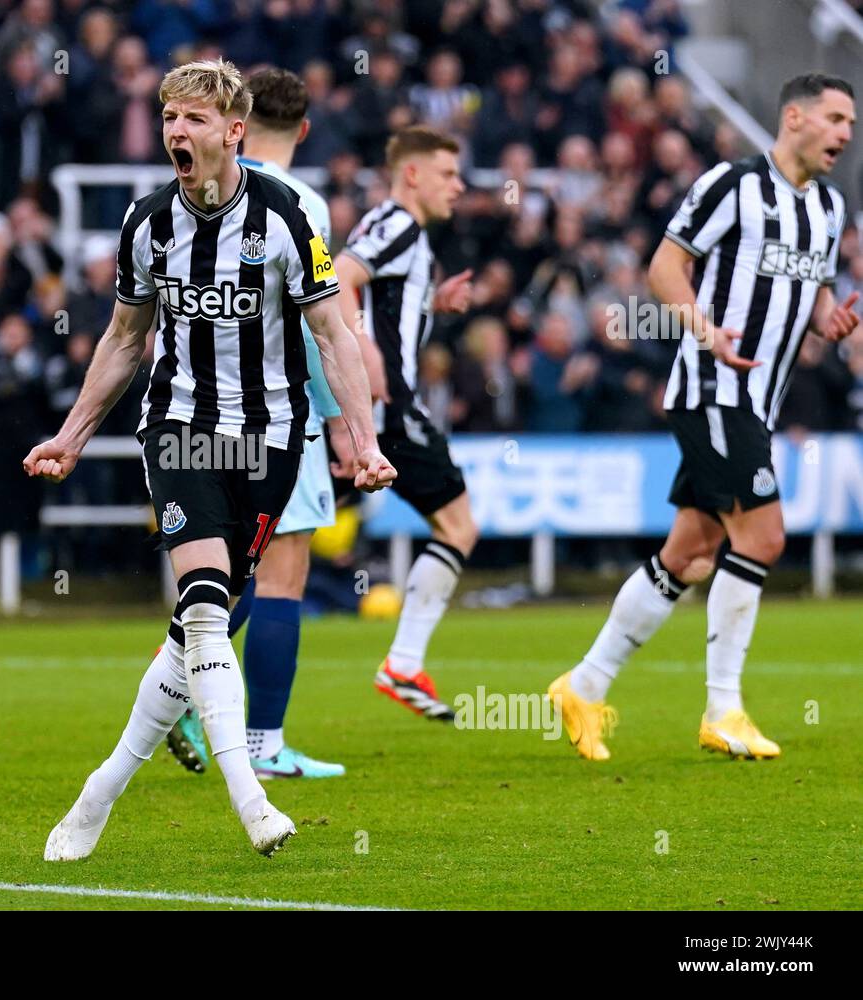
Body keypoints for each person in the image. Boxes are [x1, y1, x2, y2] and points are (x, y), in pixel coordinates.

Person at [24, 59, 395, 860]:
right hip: (182, 427)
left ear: (233, 133)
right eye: (167, 118)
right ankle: (253, 799)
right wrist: (72, 434)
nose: (175, 133)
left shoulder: (291, 217)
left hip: (269, 441)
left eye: (192, 119)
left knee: (203, 625)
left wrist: (361, 443)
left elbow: (334, 334)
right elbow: (126, 339)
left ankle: (98, 793)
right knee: (202, 606)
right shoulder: (147, 222)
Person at [550, 73, 859, 761]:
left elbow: (815, 286)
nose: (845, 133)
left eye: (851, 123)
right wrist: (704, 327)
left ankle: (585, 683)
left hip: (760, 400)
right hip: (714, 385)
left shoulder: (831, 209)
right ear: (795, 116)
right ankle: (723, 709)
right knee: (766, 537)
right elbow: (665, 267)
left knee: (688, 554)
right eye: (835, 118)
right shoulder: (733, 184)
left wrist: (827, 320)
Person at [165, 66, 352, 780]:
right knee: (282, 571)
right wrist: (340, 422)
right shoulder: (298, 202)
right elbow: (320, 329)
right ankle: (260, 741)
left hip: (192, 413)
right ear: (304, 129)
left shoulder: (182, 200)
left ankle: (176, 691)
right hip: (276, 412)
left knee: (222, 570)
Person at [334, 126, 477, 722]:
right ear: (412, 174)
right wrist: (364, 352)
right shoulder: (397, 224)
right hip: (386, 413)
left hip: (374, 411)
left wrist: (430, 301)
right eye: (448, 174)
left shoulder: (407, 237)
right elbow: (339, 279)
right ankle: (402, 663)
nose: (459, 186)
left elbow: (378, 296)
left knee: (269, 548)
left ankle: (181, 669)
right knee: (458, 524)